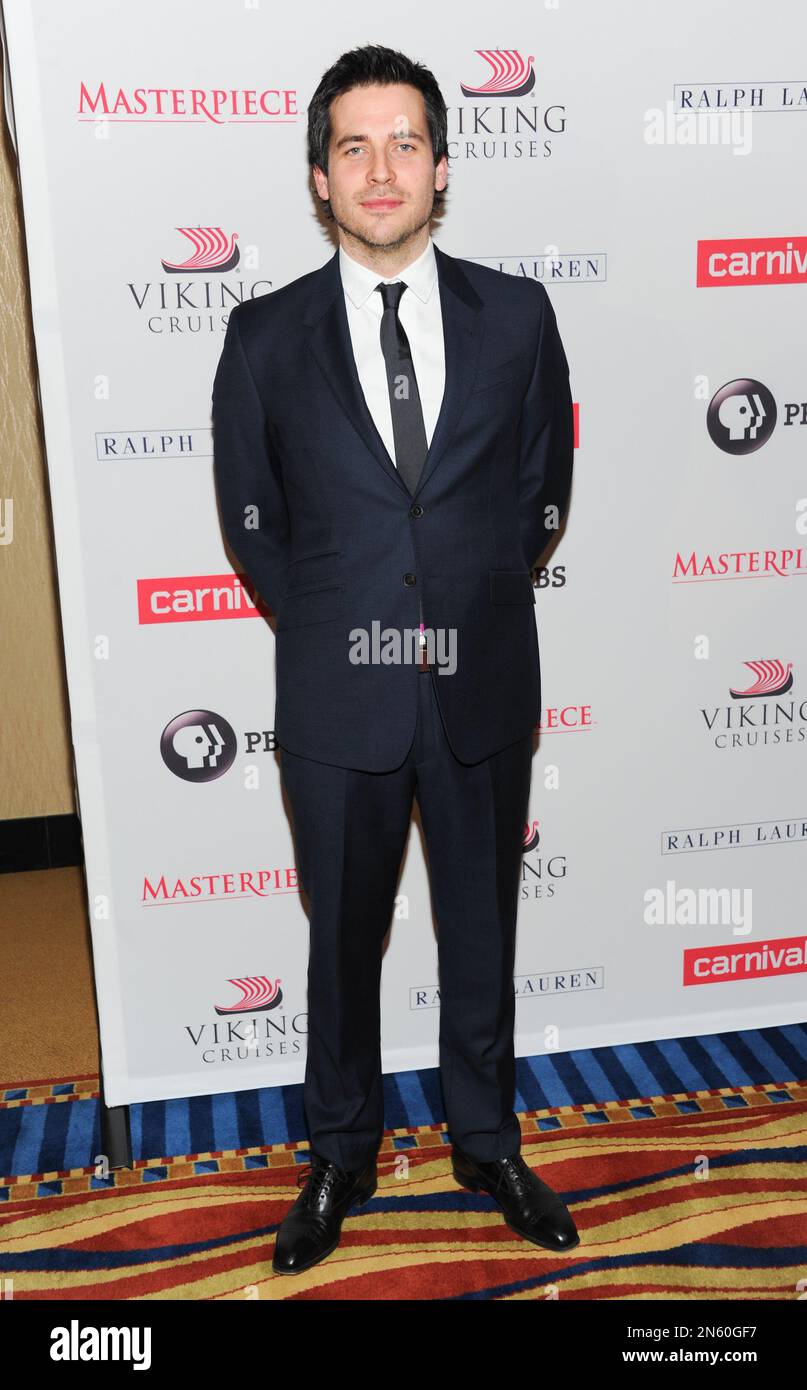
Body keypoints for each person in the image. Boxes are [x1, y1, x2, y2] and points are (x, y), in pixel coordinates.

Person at [212, 43, 577, 1276]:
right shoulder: (261, 335)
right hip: (339, 691)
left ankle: (486, 1140)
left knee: (483, 923)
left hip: (481, 677)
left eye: (405, 143)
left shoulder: (519, 315)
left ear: (441, 167)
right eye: (354, 147)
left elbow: (540, 494)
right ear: (320, 177)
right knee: (341, 938)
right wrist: (335, 624)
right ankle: (340, 1153)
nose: (382, 169)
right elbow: (254, 520)